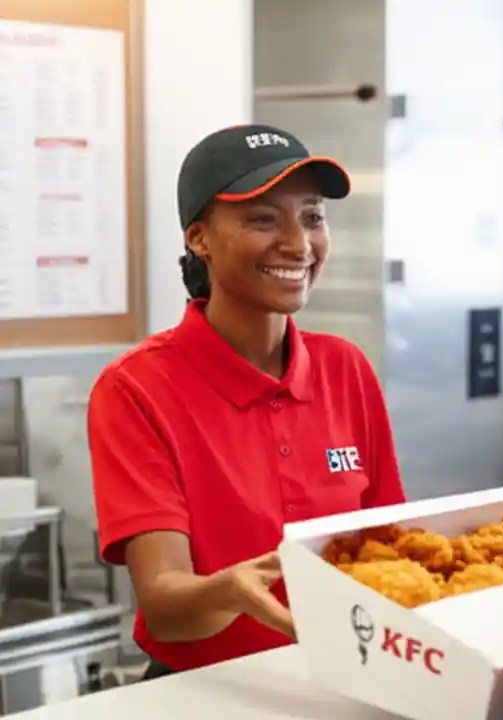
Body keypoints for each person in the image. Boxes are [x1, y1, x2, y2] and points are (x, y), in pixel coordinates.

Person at [87, 124, 406, 678]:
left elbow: (392, 551)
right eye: (263, 218)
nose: (298, 244)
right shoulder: (135, 390)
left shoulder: (345, 369)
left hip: (346, 676)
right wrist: (226, 592)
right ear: (199, 238)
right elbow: (165, 609)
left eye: (311, 217)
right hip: (203, 693)